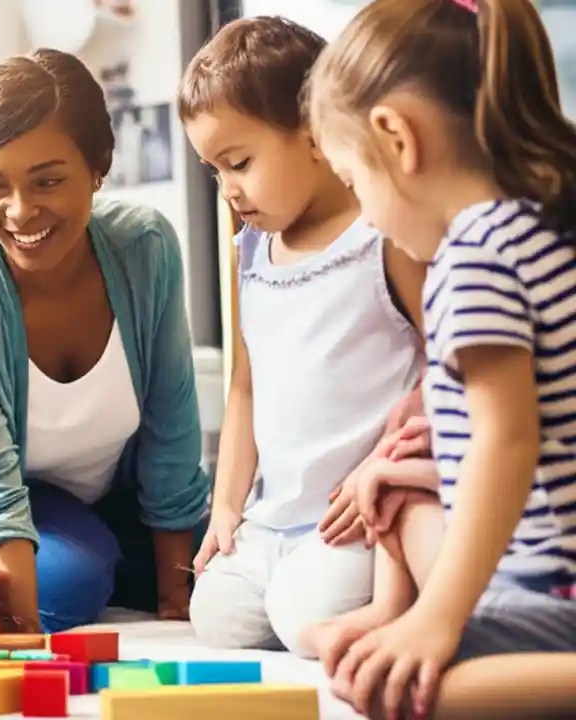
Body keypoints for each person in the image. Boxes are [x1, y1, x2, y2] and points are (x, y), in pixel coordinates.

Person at [305, 0, 576, 716]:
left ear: (396, 137)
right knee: (401, 503)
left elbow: (507, 438)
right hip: (539, 569)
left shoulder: (474, 253)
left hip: (553, 596)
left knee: (387, 689)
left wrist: (434, 619)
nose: (365, 215)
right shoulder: (539, 223)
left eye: (355, 181)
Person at [0, 48, 211, 635]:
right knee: (70, 581)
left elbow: (173, 422)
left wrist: (178, 589)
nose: (20, 211)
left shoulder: (145, 248)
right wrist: (17, 608)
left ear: (97, 168)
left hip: (121, 496)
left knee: (235, 553)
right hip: (16, 504)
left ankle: (121, 559)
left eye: (47, 181)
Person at [178, 16, 427, 656]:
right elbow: (244, 388)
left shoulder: (382, 235)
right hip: (272, 518)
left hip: (355, 514)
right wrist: (227, 510)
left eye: (239, 163)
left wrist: (385, 464)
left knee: (300, 617)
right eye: (213, 171)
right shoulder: (250, 253)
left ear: (317, 136)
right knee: (217, 614)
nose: (228, 189)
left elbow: (444, 363)